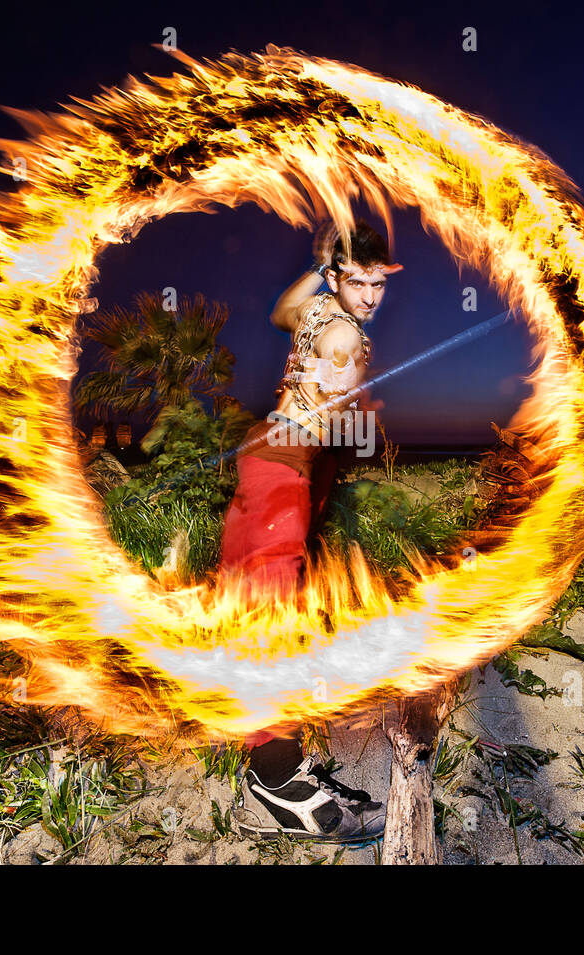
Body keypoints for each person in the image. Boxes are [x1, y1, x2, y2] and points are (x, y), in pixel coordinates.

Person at [222, 219, 402, 842]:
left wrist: (321, 266)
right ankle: (274, 779)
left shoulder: (317, 306)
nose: (372, 297)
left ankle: (264, 743)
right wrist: (345, 381)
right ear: (339, 279)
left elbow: (280, 312)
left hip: (282, 457)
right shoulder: (344, 329)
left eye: (379, 284)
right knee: (270, 608)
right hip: (285, 463)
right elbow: (337, 383)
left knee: (261, 599)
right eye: (360, 283)